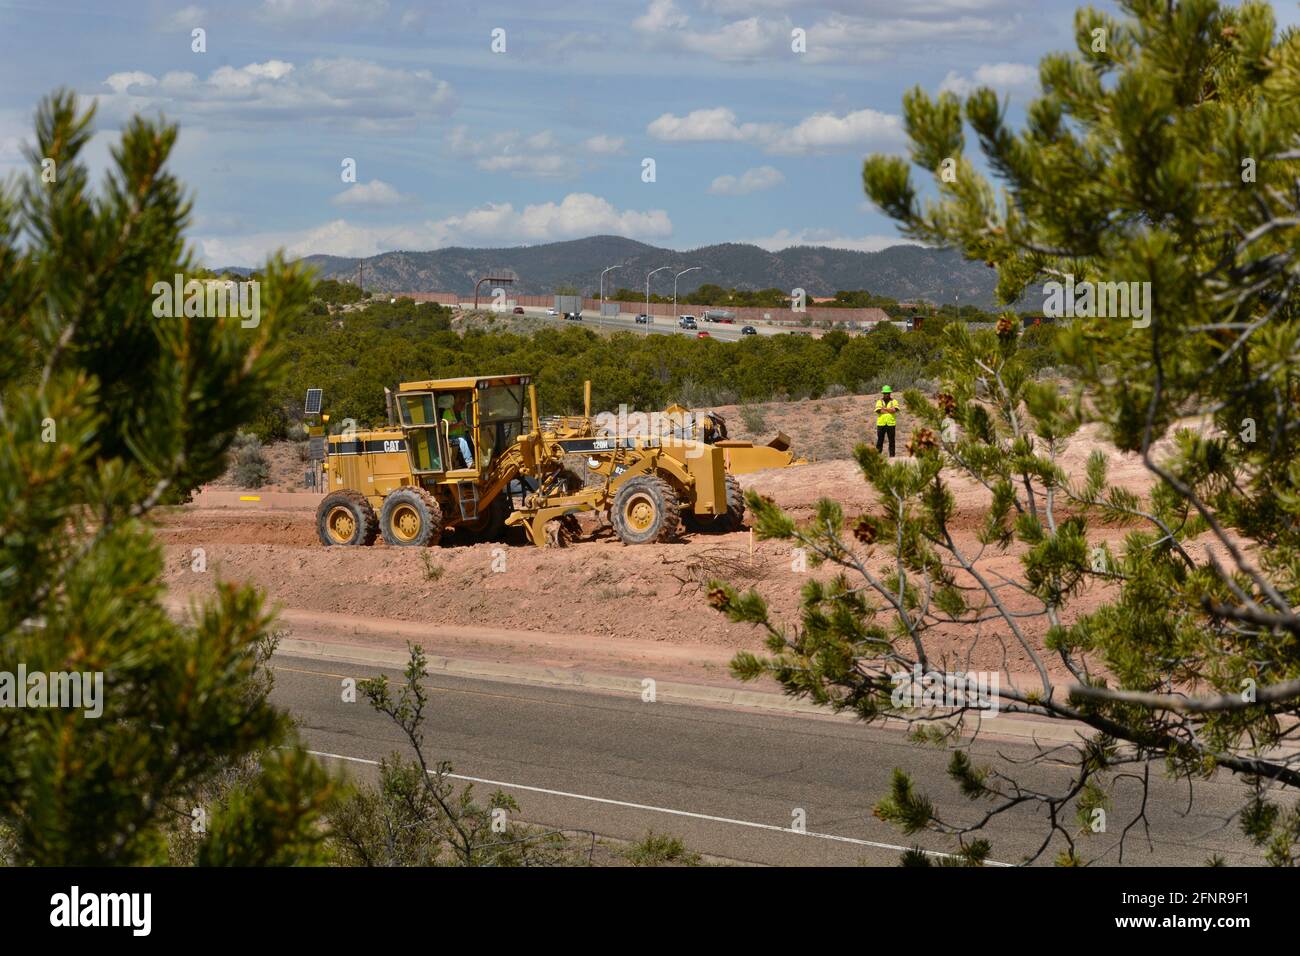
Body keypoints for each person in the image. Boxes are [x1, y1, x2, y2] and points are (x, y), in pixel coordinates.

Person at [442, 393, 474, 468]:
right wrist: (458, 424)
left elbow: (466, 423)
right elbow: (446, 428)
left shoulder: (462, 413)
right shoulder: (447, 412)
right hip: (450, 437)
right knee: (461, 440)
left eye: (464, 404)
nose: (463, 406)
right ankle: (469, 462)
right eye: (462, 404)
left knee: (473, 438)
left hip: (461, 434)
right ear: (456, 403)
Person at [875, 386, 899, 457]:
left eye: (888, 393)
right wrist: (890, 410)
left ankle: (892, 457)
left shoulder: (894, 401)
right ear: (883, 393)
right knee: (880, 441)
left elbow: (895, 410)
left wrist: (884, 409)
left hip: (891, 424)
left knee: (892, 441)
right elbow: (878, 410)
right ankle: (877, 457)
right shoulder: (879, 401)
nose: (887, 394)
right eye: (885, 393)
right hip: (881, 424)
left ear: (890, 393)